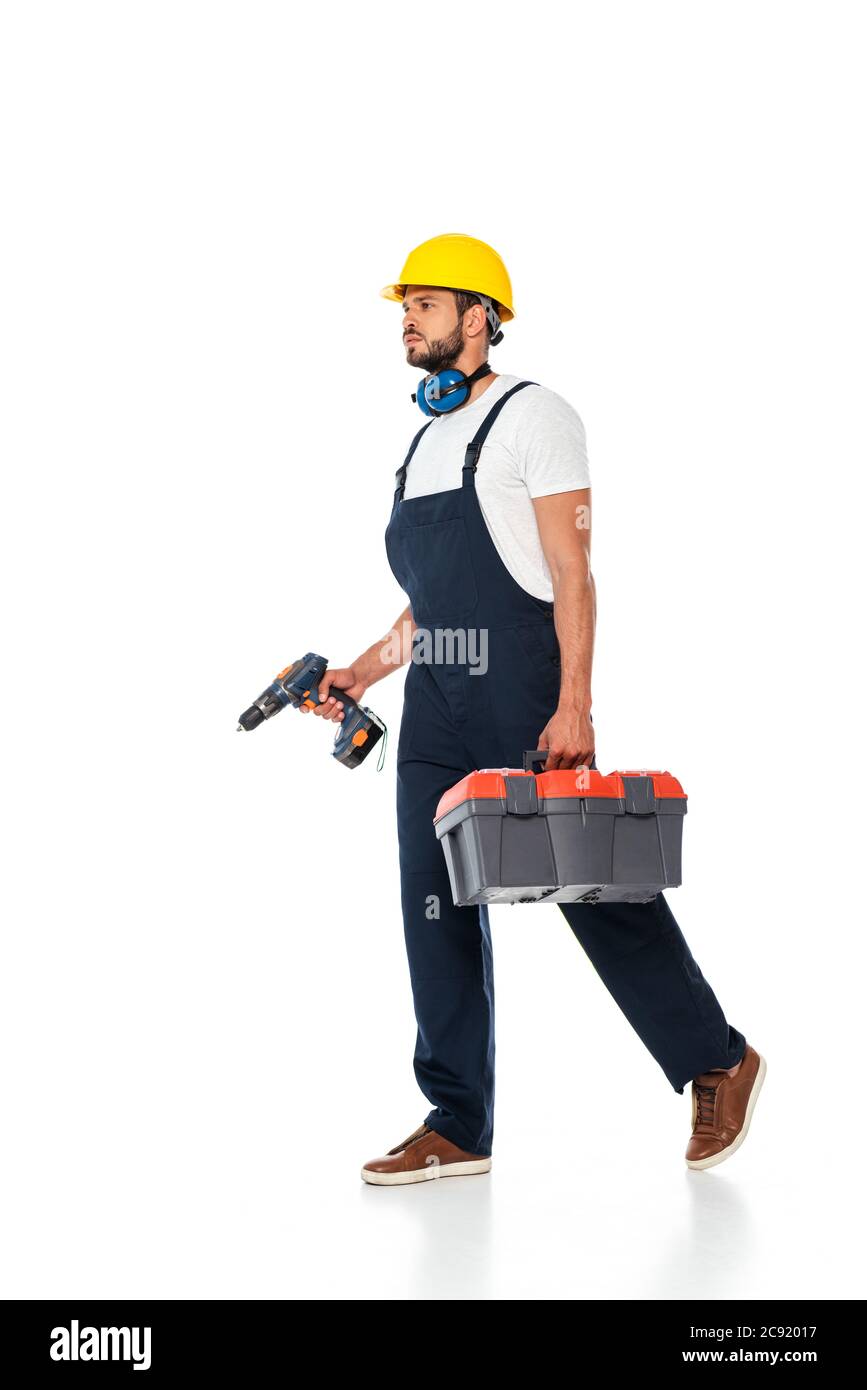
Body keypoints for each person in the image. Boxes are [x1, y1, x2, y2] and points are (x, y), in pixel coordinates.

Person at [302, 233, 766, 1185]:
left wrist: (575, 704)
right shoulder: (424, 439)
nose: (406, 320)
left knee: (592, 888)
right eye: (405, 306)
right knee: (430, 905)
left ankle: (715, 1057)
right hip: (436, 704)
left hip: (523, 686)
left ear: (480, 316)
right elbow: (430, 606)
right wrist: (357, 672)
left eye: (423, 305)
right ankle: (458, 1122)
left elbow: (570, 572)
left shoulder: (536, 416)